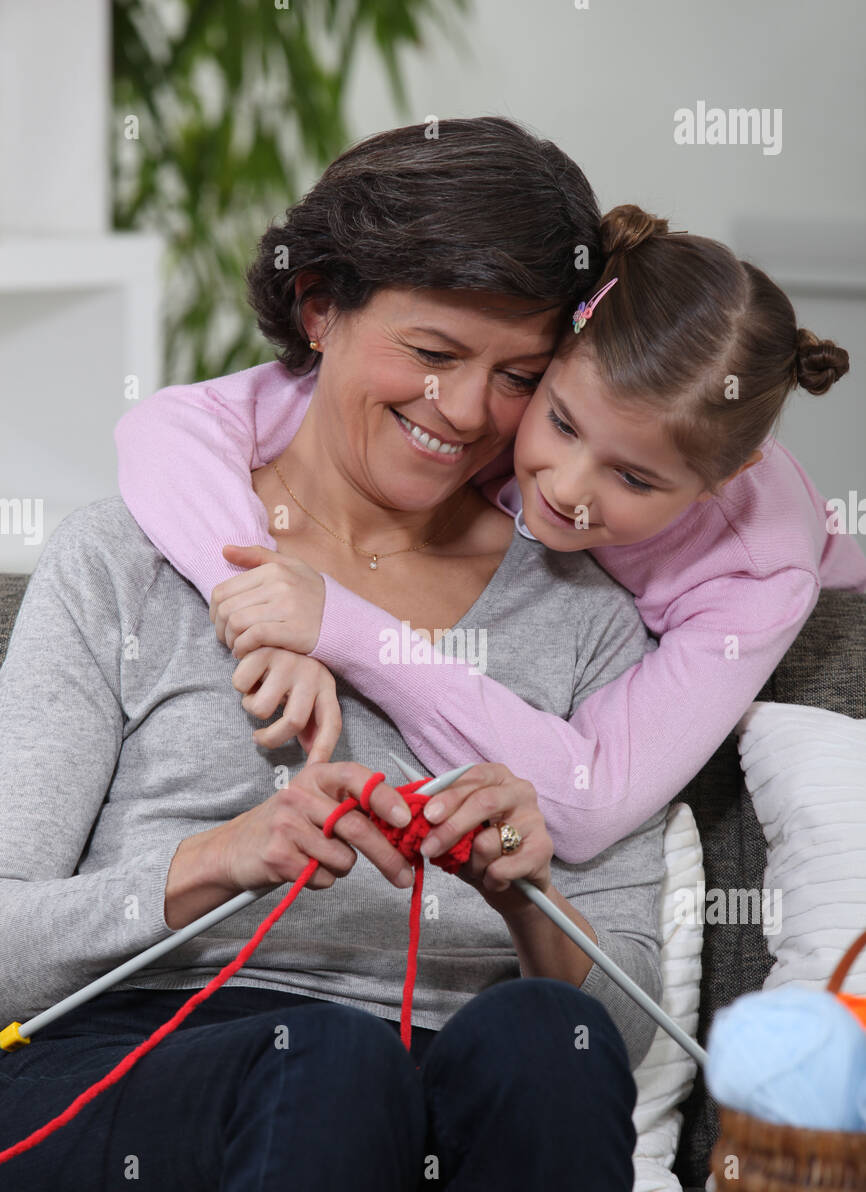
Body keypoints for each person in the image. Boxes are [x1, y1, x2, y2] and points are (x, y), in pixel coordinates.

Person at [0, 118, 664, 1192]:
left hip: (446, 1096)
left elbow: (620, 1031)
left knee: (544, 1042)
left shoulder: (586, 624)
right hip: (135, 1070)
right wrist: (218, 856)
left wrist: (527, 902)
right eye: (431, 352)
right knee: (333, 1056)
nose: (466, 412)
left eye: (517, 377)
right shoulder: (129, 560)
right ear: (318, 306)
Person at [116, 206, 866, 866]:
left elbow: (589, 801)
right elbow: (169, 426)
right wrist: (259, 610)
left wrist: (340, 626)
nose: (567, 488)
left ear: (728, 476)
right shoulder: (505, 394)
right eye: (562, 423)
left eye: (634, 480)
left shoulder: (759, 578)